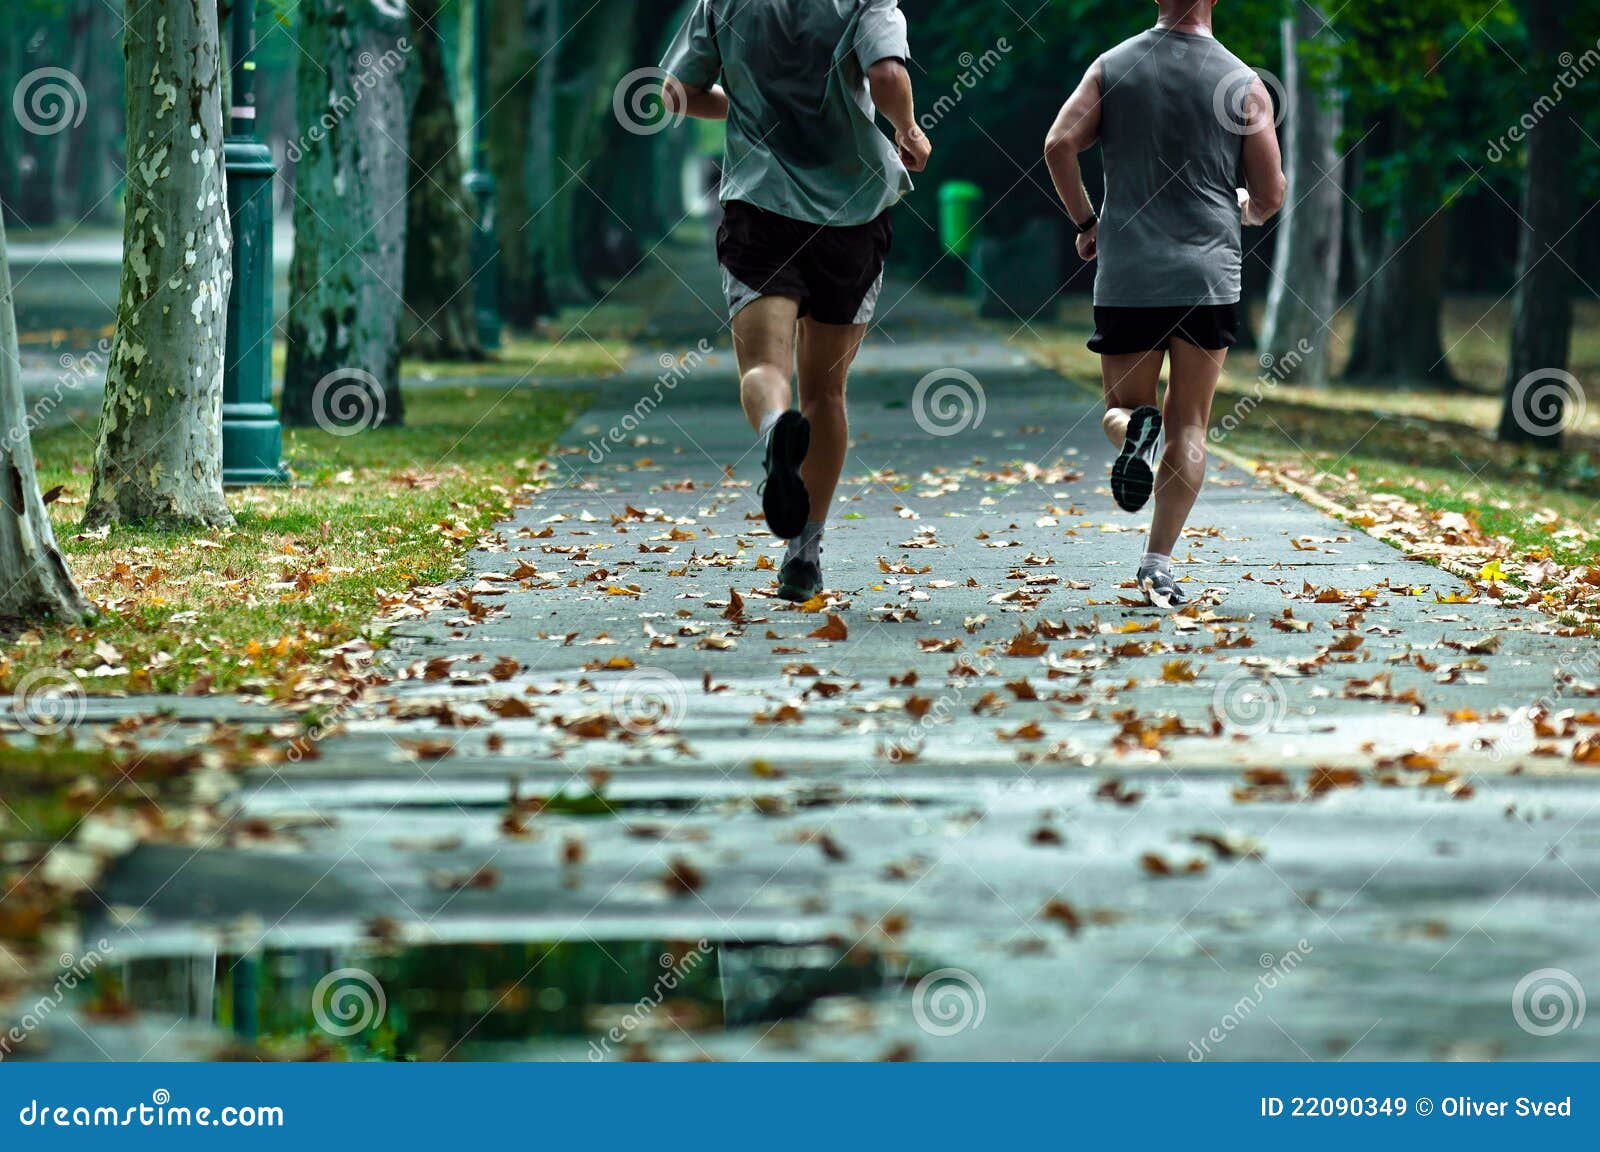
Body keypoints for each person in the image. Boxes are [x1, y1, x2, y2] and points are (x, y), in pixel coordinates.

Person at [659, 0, 931, 603]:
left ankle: (778, 428)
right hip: (853, 210)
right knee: (827, 392)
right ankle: (803, 552)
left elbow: (676, 93)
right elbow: (886, 76)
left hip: (760, 203)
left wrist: (741, 108)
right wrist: (908, 129)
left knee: (764, 368)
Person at [1044, 0, 1286, 607]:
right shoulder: (1243, 82)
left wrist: (1085, 221)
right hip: (1207, 276)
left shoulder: (1113, 65)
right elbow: (1271, 191)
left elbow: (1058, 145)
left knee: (1122, 409)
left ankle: (1135, 430)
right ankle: (1158, 564)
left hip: (1129, 271)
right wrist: (1246, 211)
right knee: (1194, 425)